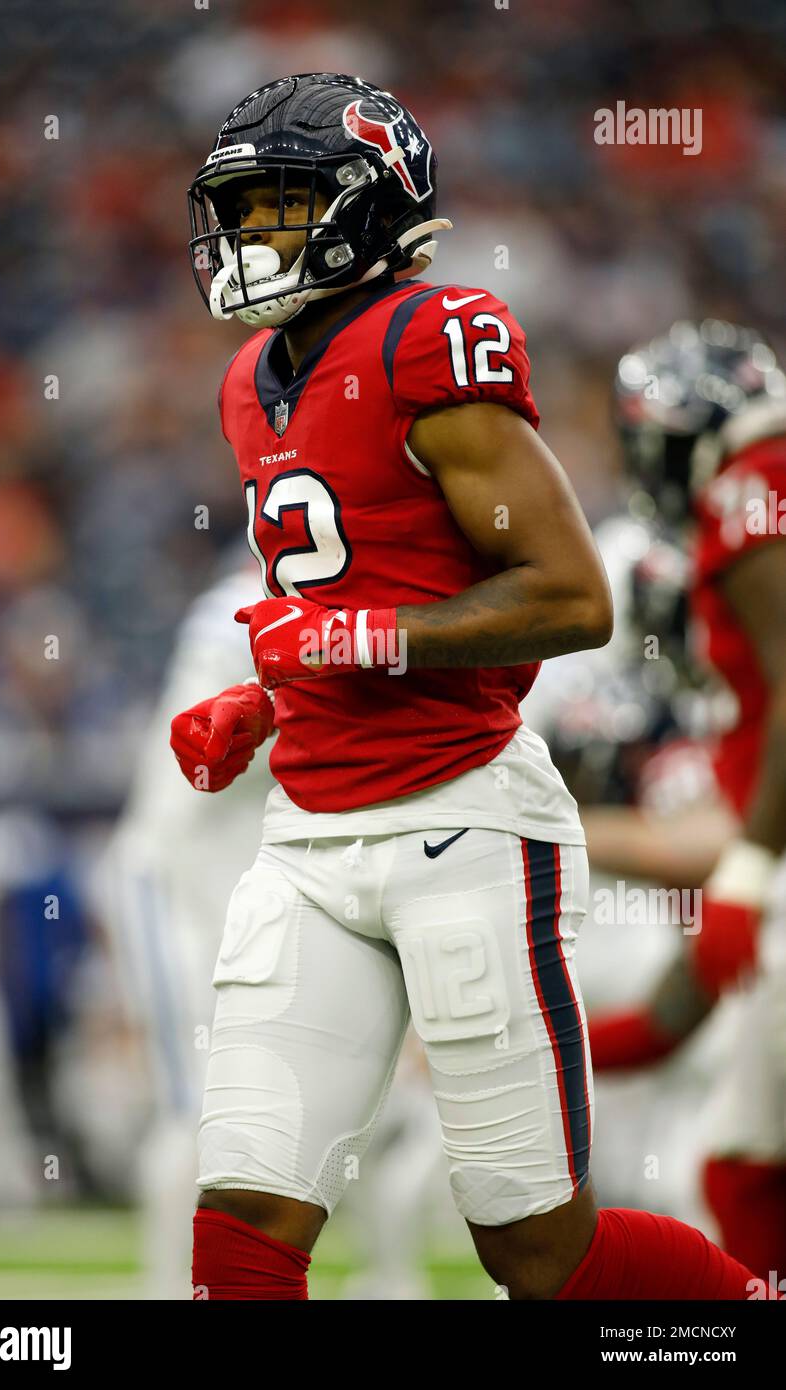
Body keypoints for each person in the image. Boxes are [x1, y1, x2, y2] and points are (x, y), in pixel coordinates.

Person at [170, 73, 775, 1300]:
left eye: (274, 207)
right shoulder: (251, 382)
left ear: (360, 203)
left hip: (461, 822)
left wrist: (346, 648)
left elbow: (564, 597)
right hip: (307, 839)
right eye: (236, 211)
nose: (245, 239)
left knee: (540, 1252)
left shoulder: (428, 335)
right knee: (240, 1225)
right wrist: (268, 696)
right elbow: (353, 595)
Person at [586, 321, 786, 1278]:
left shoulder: (757, 481)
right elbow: (674, 1014)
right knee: (737, 1160)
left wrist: (745, 875)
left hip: (767, 880)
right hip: (758, 887)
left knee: (730, 1165)